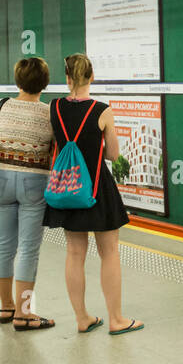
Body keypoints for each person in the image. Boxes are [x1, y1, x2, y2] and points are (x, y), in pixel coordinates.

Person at [45, 53, 143, 336]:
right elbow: (113, 154)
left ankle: (82, 318)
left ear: (66, 79)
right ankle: (116, 319)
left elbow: (55, 143)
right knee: (109, 253)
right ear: (91, 77)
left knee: (74, 253)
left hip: (67, 186)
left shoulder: (55, 108)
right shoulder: (102, 111)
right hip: (97, 188)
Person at [0, 57, 56, 330]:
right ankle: (25, 313)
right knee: (29, 249)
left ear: (18, 80)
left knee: (4, 245)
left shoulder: (2, 105)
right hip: (34, 181)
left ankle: (7, 307)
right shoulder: (48, 112)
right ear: (45, 82)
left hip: (1, 178)